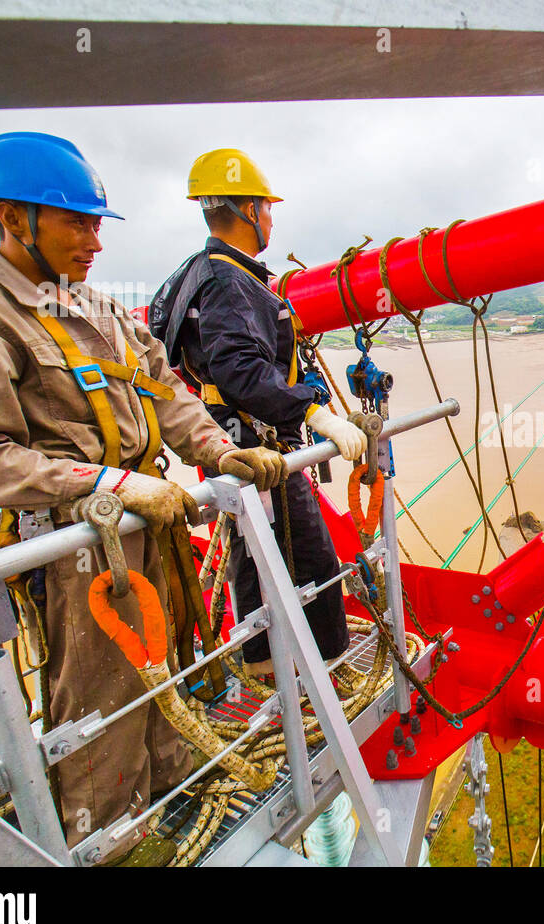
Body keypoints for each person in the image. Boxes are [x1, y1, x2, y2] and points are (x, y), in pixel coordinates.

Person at [0, 132, 285, 859]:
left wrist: (217, 450)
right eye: (75, 223)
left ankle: (175, 787)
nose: (94, 242)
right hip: (80, 546)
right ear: (14, 218)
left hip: (151, 521)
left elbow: (165, 393)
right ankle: (110, 839)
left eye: (96, 224)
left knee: (167, 666)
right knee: (102, 703)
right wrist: (107, 483)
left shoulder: (102, 312)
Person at [149, 148, 368, 695]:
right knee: (314, 557)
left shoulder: (202, 274)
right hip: (258, 446)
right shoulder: (229, 283)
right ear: (248, 210)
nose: (272, 218)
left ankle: (261, 666)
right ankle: (331, 674)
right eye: (267, 208)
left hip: (235, 444)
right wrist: (315, 414)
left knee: (254, 552)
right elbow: (241, 369)